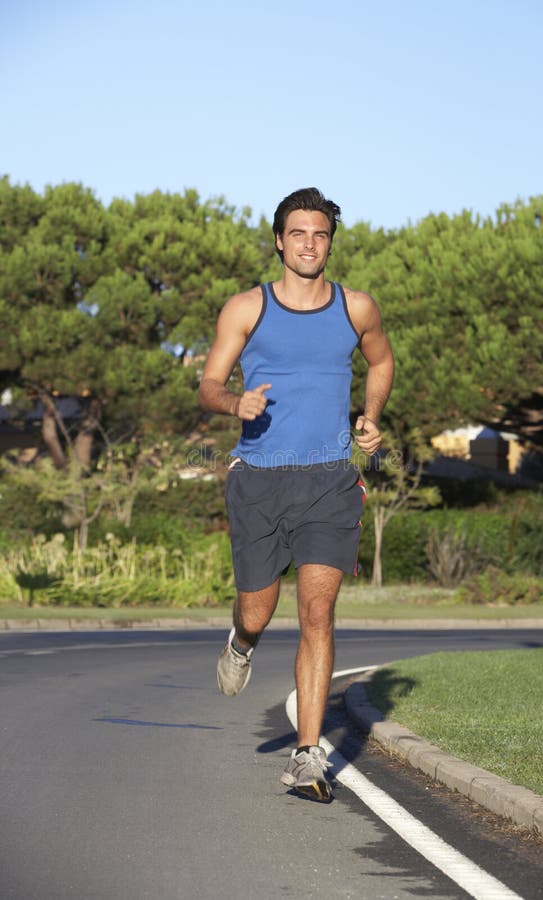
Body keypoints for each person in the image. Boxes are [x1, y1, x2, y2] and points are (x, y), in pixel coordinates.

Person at [198, 187, 394, 801]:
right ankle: (241, 640)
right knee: (257, 609)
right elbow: (208, 383)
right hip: (258, 478)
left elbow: (382, 362)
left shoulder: (355, 307)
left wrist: (370, 414)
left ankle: (308, 754)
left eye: (321, 235)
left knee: (318, 613)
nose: (310, 244)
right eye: (299, 234)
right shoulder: (246, 308)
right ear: (280, 241)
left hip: (330, 480)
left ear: (329, 243)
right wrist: (236, 401)